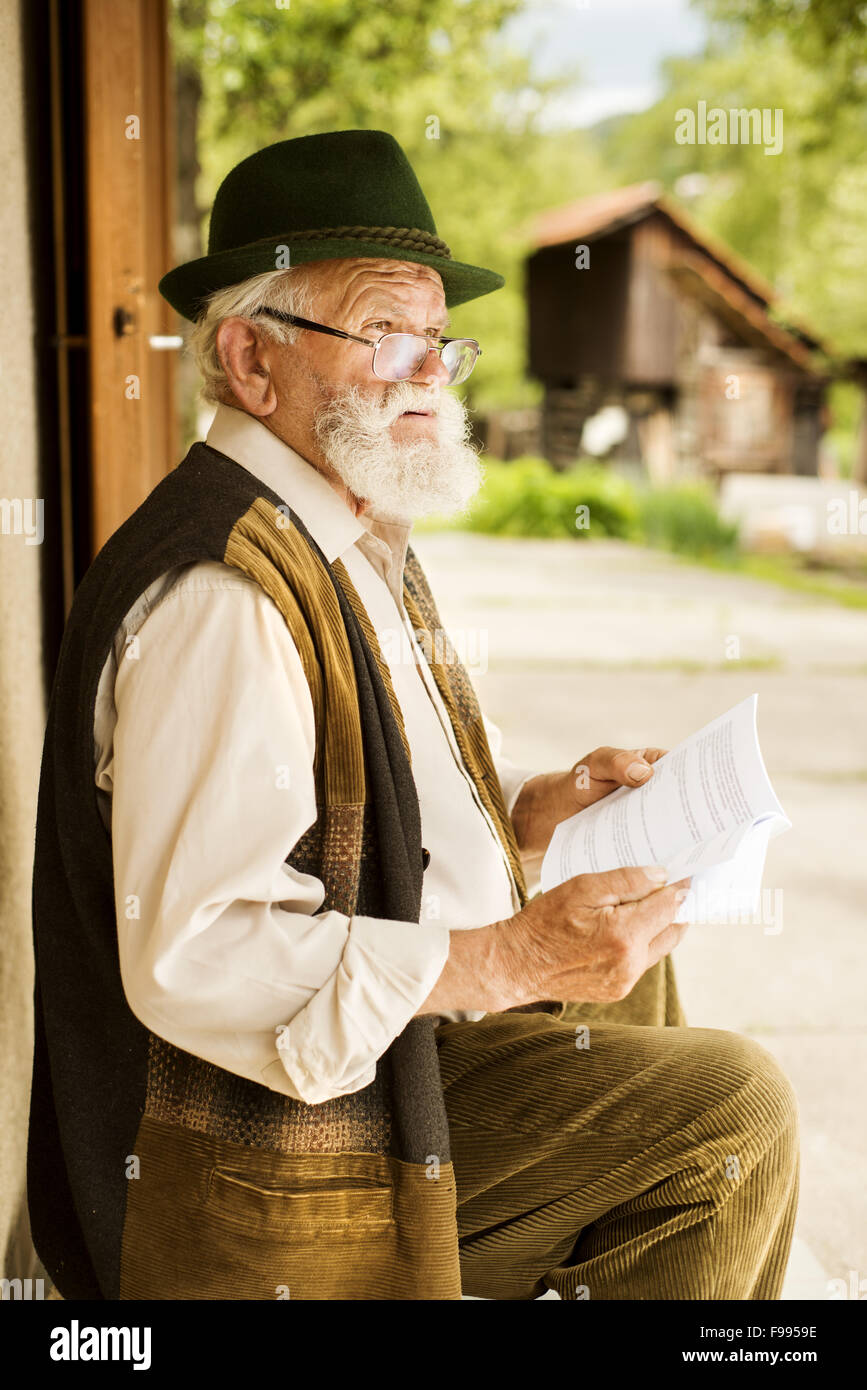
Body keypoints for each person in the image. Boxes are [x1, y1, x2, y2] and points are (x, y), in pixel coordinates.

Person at [28, 130, 798, 1301]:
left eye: (439, 341)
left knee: (635, 981)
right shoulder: (221, 594)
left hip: (386, 1059)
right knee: (727, 1116)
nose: (429, 375)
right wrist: (504, 954)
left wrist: (528, 823)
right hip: (259, 1145)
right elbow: (198, 952)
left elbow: (349, 828)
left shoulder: (350, 527)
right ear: (251, 358)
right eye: (386, 335)